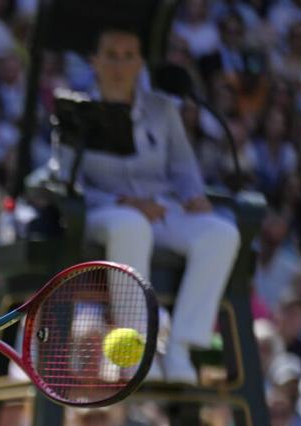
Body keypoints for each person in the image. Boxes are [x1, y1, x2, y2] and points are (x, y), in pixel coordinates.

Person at [73, 26, 242, 383]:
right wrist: (124, 200)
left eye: (128, 56)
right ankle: (138, 351)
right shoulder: (74, 109)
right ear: (94, 61)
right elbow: (66, 180)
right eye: (111, 56)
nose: (120, 65)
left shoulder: (162, 109)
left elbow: (182, 167)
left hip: (160, 211)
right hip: (103, 213)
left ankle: (180, 347)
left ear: (140, 63)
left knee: (221, 234)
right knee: (130, 224)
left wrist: (193, 195)